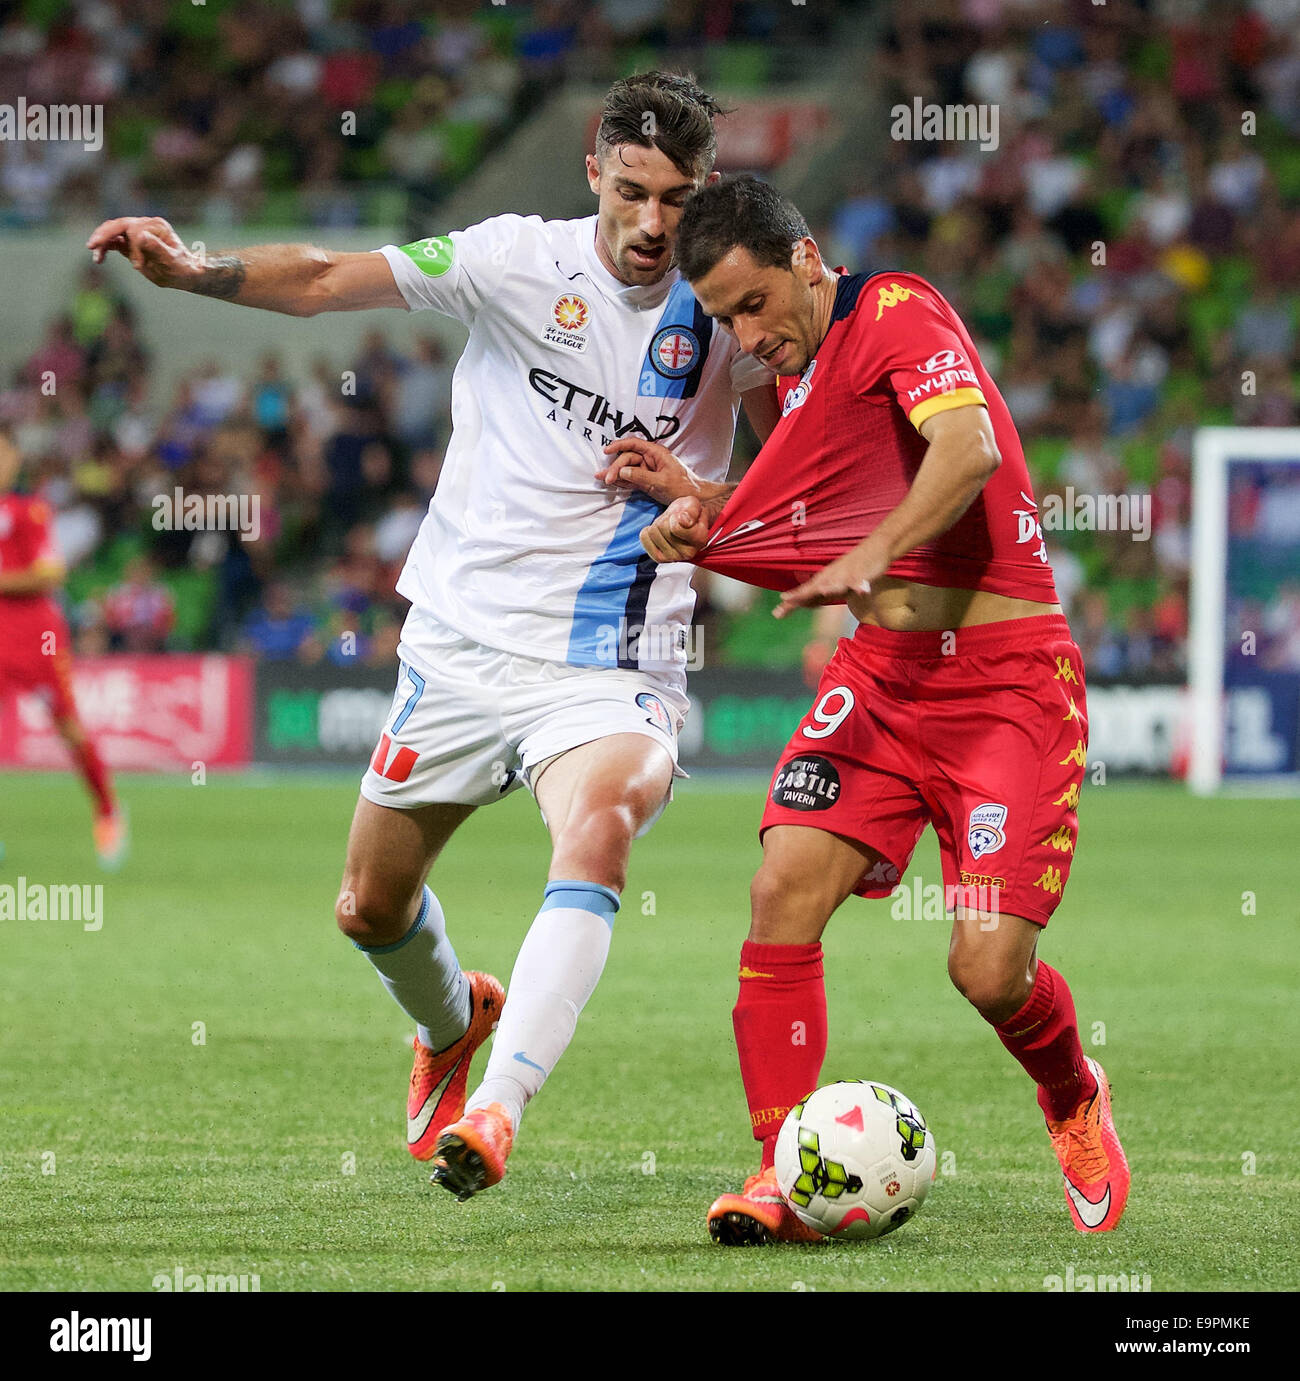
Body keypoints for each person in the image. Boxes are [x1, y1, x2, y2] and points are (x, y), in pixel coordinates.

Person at [86, 73, 777, 1199]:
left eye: (680, 200)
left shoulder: (727, 302)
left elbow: (784, 476)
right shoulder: (512, 261)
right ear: (595, 168)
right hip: (459, 646)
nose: (656, 226)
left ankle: (496, 1110)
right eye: (636, 193)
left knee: (598, 826)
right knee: (369, 907)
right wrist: (196, 268)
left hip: (610, 657)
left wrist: (703, 496)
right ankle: (454, 1023)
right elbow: (321, 279)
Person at [602, 175, 1128, 1241]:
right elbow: (803, 502)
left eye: (752, 306)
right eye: (721, 321)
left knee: (985, 968)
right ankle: (780, 1171)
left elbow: (967, 447)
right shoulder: (790, 377)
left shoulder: (893, 309)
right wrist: (698, 507)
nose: (745, 337)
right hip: (882, 677)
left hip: (1004, 686)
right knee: (781, 888)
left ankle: (1071, 1090)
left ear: (804, 259)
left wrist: (868, 556)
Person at [0, 428, 127, 869]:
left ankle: (108, 811)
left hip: (35, 636)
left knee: (68, 727)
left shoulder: (29, 510)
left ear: (15, 457)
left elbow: (50, 573)